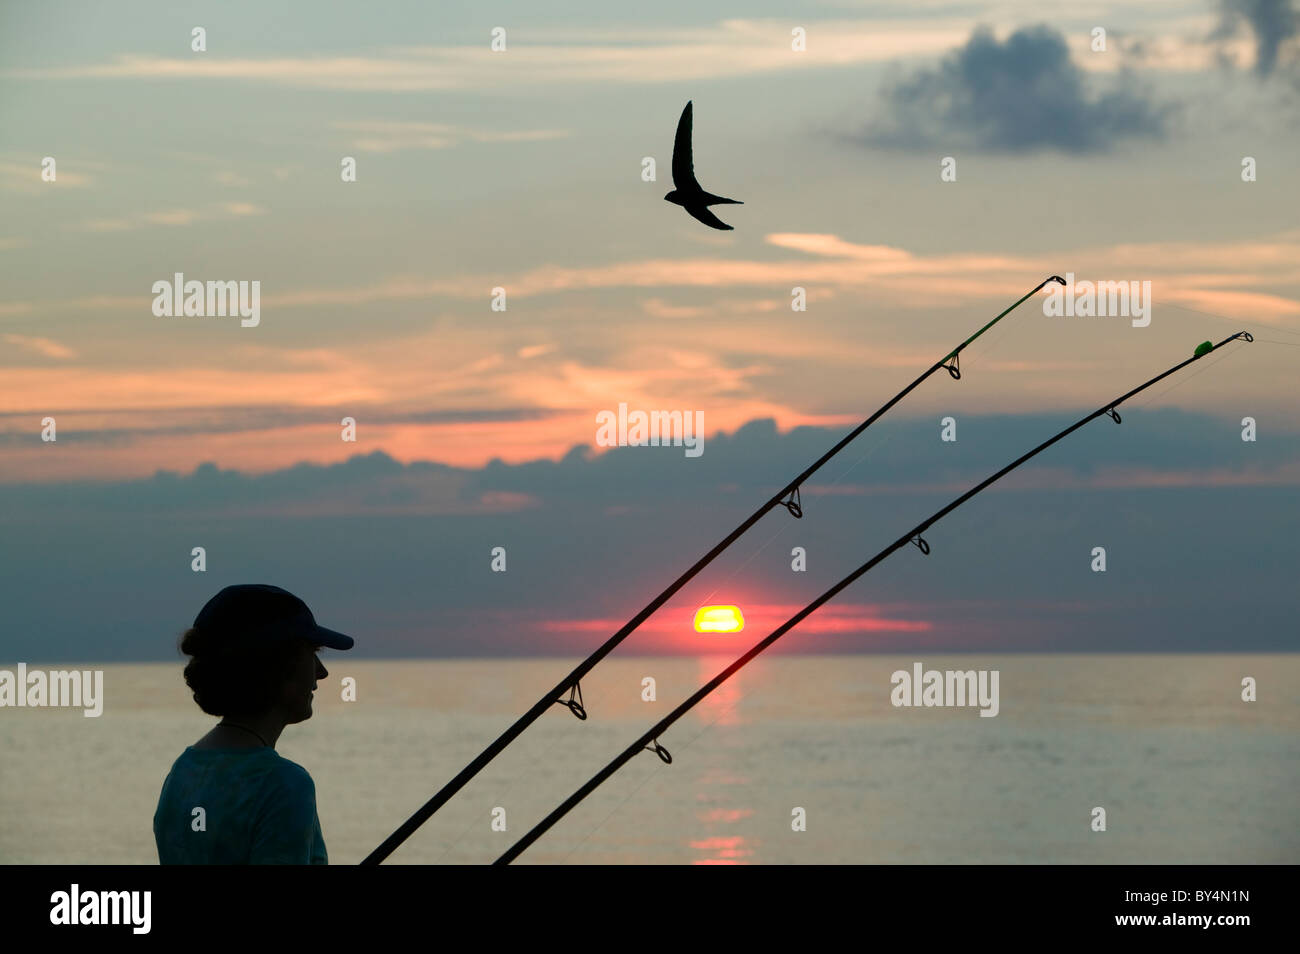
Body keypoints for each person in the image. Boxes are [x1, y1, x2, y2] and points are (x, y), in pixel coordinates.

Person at [153, 584, 354, 864]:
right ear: (280, 667)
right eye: (312, 654)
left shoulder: (182, 773)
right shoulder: (283, 785)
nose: (322, 672)